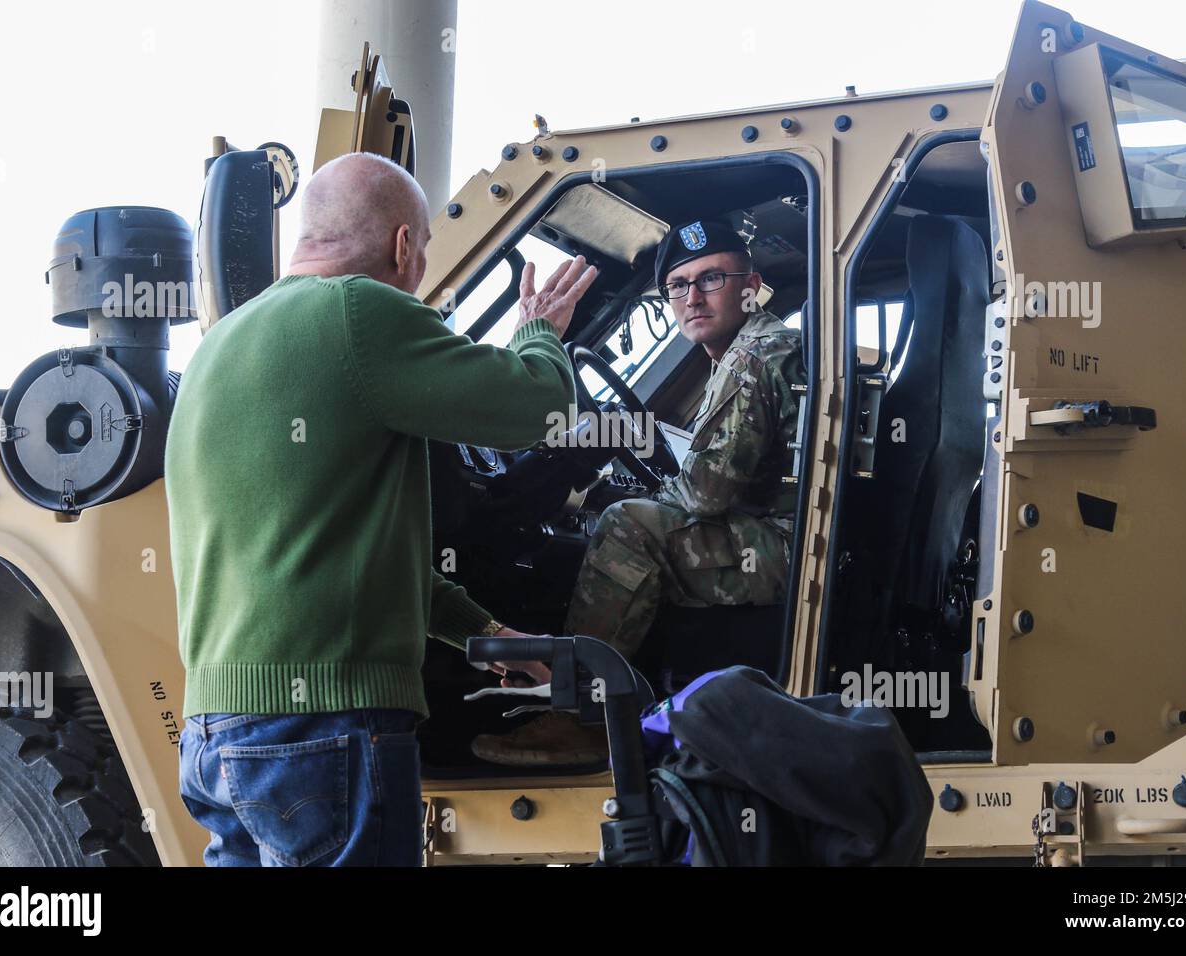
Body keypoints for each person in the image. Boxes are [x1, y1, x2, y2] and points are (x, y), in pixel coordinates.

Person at [168, 152, 596, 865]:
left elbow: (344, 554)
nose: (419, 267)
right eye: (424, 250)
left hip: (218, 734)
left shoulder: (220, 346)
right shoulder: (358, 311)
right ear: (403, 245)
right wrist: (539, 330)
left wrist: (486, 634)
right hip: (322, 728)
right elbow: (543, 407)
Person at [473, 218, 805, 767]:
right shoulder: (756, 349)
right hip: (792, 539)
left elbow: (704, 496)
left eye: (712, 279)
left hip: (788, 552)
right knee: (627, 518)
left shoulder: (754, 357)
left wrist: (602, 502)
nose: (692, 297)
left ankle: (580, 721)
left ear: (751, 285)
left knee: (627, 527)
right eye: (679, 285)